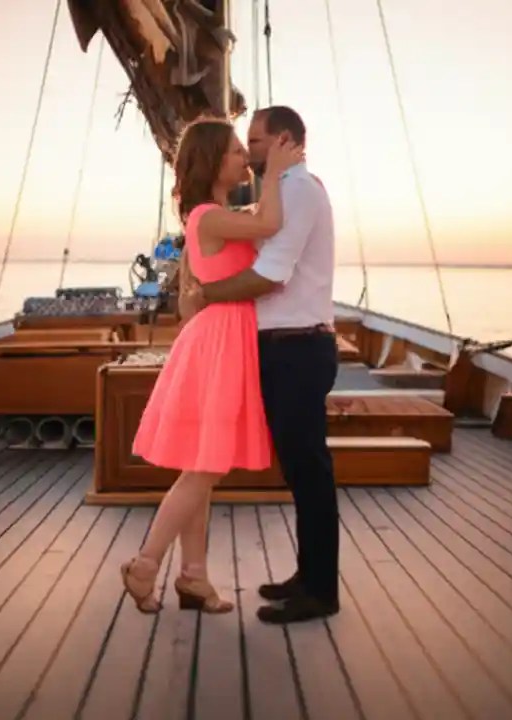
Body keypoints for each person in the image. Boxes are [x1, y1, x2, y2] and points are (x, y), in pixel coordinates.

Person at [121, 117, 304, 614]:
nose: (245, 157)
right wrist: (278, 170)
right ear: (212, 163)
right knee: (203, 469)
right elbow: (269, 224)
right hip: (221, 343)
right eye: (236, 152)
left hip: (216, 338)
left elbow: (186, 303)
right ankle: (145, 565)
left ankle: (194, 577)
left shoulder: (210, 217)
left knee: (202, 466)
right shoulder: (210, 217)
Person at [189, 106, 340, 624]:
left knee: (310, 471)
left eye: (254, 141)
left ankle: (321, 591)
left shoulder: (297, 190)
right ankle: (309, 574)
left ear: (282, 141)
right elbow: (252, 227)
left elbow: (272, 274)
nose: (248, 151)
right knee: (300, 471)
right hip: (285, 347)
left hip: (298, 347)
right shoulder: (284, 189)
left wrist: (207, 293)